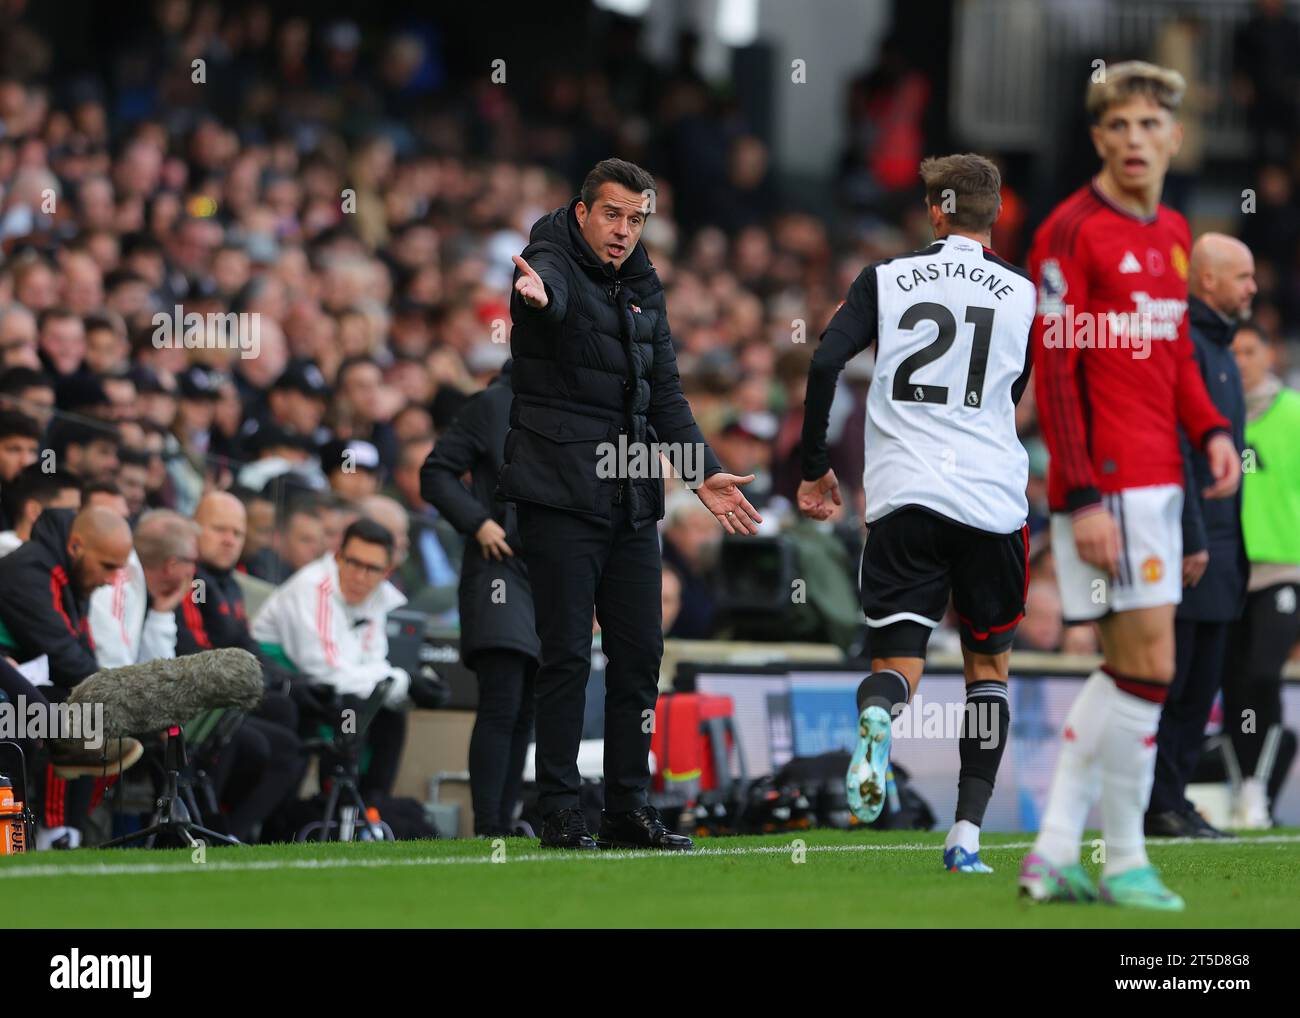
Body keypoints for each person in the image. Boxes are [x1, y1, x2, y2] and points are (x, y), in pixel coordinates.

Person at [1019, 63, 1240, 911]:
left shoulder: (1177, 232)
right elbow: (1059, 369)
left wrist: (1212, 429)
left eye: (1150, 125)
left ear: (1175, 137)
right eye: (1118, 127)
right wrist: (1078, 497)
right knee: (1153, 667)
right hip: (1108, 485)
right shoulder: (1071, 232)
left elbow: (1179, 353)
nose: (1135, 140)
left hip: (1160, 478)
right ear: (1097, 138)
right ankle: (1123, 861)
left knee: (1130, 671)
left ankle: (1052, 855)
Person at [502, 157, 760, 850]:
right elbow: (549, 290)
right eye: (612, 215)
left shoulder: (644, 282)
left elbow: (667, 394)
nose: (623, 231)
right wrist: (539, 300)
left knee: (641, 656)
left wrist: (702, 473)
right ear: (583, 211)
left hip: (634, 495)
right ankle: (557, 807)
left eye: (637, 219)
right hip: (561, 492)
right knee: (565, 656)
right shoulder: (546, 258)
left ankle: (627, 807)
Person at [798, 153, 1035, 875]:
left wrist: (813, 467)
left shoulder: (886, 279)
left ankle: (878, 715)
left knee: (898, 663)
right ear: (993, 216)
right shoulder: (1023, 295)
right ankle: (964, 836)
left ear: (936, 209)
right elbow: (1012, 388)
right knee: (987, 669)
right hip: (992, 501)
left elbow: (821, 364)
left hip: (904, 497)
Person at [1146, 234, 1254, 839]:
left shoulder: (1221, 350)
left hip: (1222, 549)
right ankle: (1154, 800)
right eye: (1242, 276)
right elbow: (1178, 452)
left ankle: (1173, 797)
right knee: (1174, 680)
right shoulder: (1185, 347)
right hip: (1190, 546)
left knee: (1202, 684)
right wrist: (1190, 535)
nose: (1254, 287)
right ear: (1207, 280)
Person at [422, 358, 541, 837]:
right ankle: (488, 826)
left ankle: (503, 821)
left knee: (526, 708)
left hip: (545, 576)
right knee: (503, 699)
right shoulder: (491, 404)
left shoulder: (562, 408)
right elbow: (435, 473)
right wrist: (479, 522)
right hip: (498, 572)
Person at [250, 517, 443, 799]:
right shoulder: (311, 588)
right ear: (338, 556)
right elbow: (326, 671)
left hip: (318, 686)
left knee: (390, 711)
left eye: (372, 568)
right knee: (351, 707)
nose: (360, 576)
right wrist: (403, 680)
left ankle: (372, 808)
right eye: (353, 562)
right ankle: (337, 807)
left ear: (386, 572)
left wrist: (411, 688)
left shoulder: (379, 598)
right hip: (278, 684)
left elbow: (370, 663)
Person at [1225, 323, 1300, 825]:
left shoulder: (1293, 414)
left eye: (1250, 350)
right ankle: (1247, 788)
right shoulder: (1217, 416)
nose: (1241, 360)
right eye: (1233, 351)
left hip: (1281, 570)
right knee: (1233, 687)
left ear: (1268, 353)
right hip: (1230, 572)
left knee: (1261, 675)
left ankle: (1257, 788)